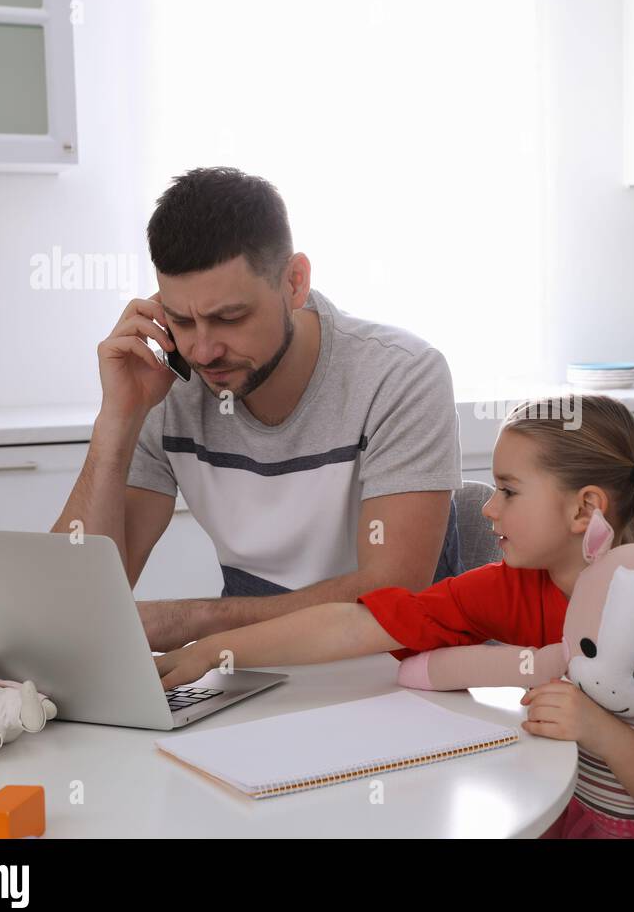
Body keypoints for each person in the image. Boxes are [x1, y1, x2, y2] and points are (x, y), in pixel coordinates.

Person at [157, 394, 634, 838]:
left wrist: (600, 729)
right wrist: (216, 649)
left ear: (585, 510)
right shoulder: (513, 587)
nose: (488, 510)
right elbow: (353, 622)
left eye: (508, 490)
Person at [51, 167, 463, 651]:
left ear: (294, 282)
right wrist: (117, 421)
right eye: (182, 320)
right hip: (245, 668)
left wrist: (197, 620)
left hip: (395, 675)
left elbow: (395, 594)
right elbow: (74, 604)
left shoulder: (400, 375)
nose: (203, 352)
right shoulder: (167, 388)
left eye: (230, 318)